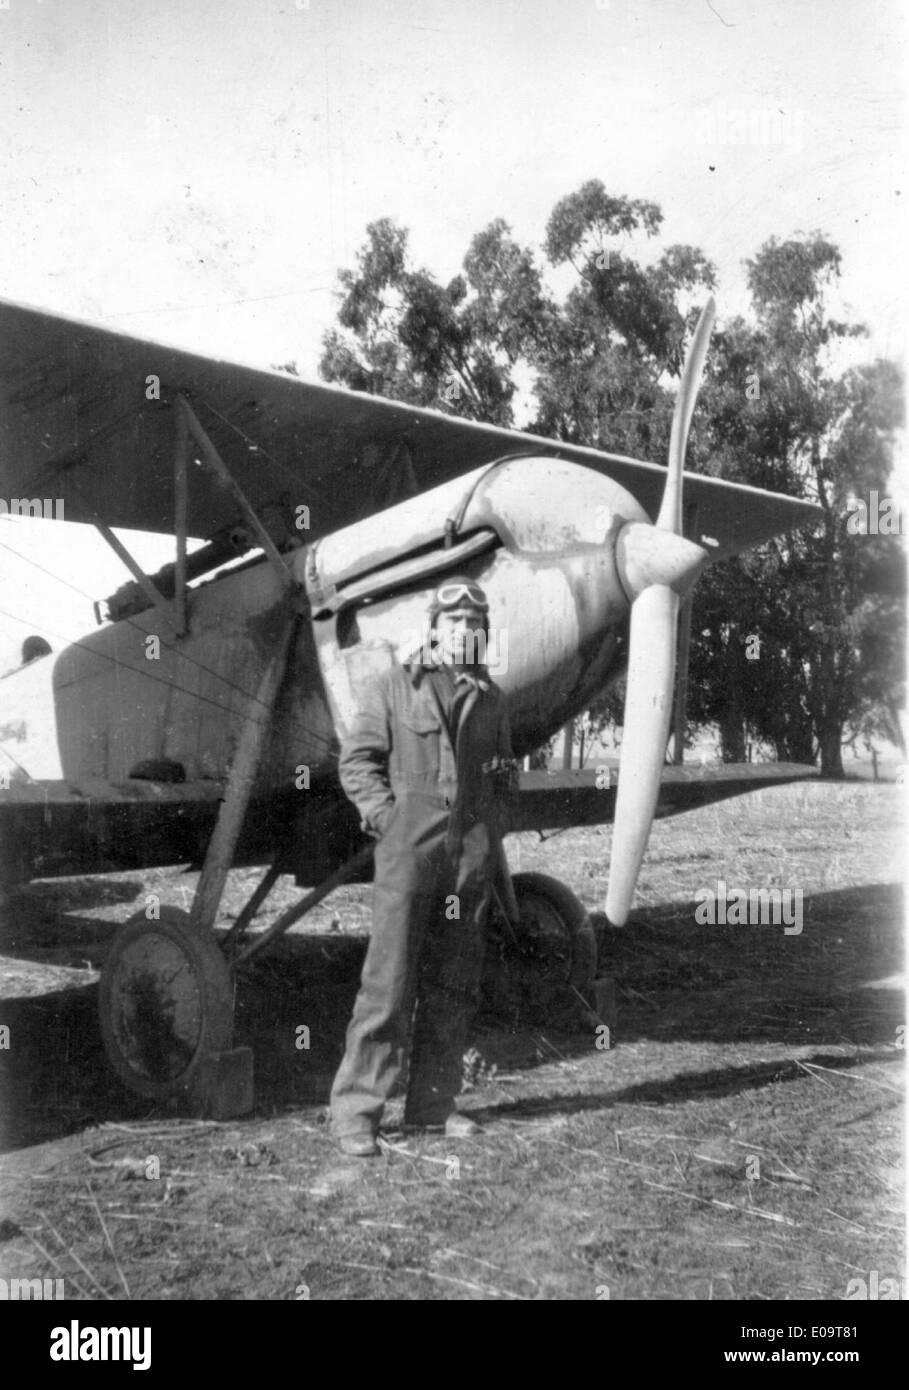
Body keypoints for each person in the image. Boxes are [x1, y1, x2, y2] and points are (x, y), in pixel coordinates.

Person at [330, 576, 518, 1157]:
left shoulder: (491, 701)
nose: (463, 630)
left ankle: (434, 1105)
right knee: (387, 981)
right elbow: (357, 762)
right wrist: (387, 822)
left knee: (453, 979)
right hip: (408, 851)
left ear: (482, 635)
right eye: (452, 621)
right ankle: (357, 1112)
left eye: (473, 624)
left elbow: (505, 777)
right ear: (435, 630)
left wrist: (489, 834)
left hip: (468, 858)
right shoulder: (394, 686)